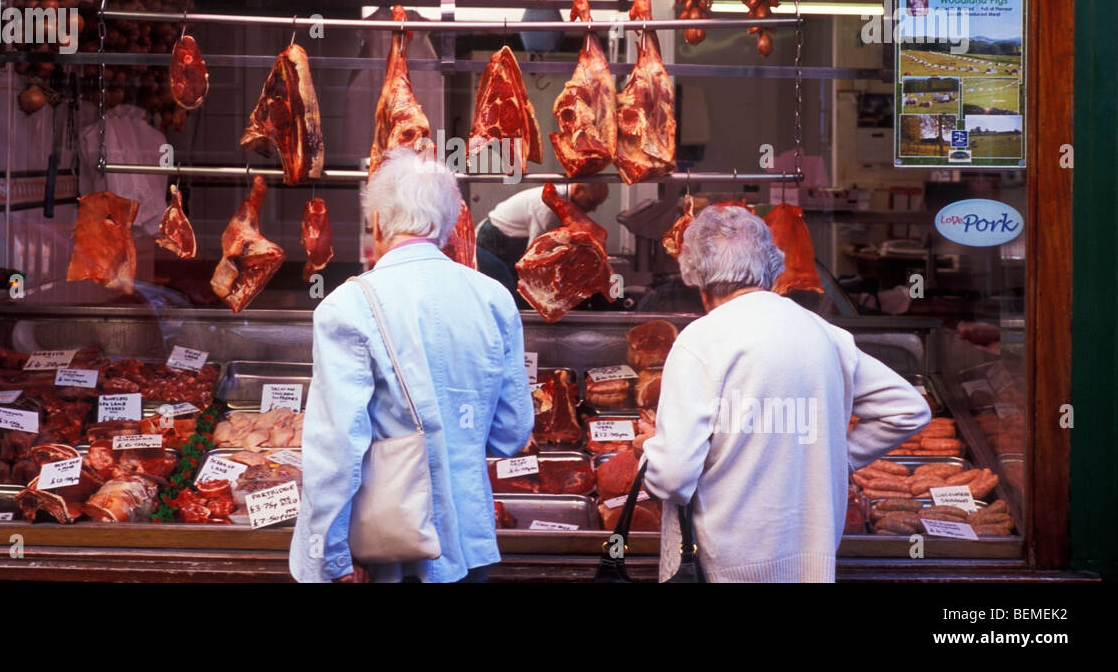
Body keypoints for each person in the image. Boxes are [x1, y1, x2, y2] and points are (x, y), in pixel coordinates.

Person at [641, 205, 931, 582]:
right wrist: (832, 458)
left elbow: (672, 479)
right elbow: (908, 409)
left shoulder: (701, 341)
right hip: (814, 563)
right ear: (771, 265)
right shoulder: (824, 332)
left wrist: (648, 453)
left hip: (725, 567)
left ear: (697, 276)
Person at [289, 146, 535, 583]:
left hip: (388, 553)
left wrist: (329, 558)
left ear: (378, 221)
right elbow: (511, 433)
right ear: (447, 222)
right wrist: (456, 440)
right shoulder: (495, 297)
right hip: (468, 547)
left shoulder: (346, 306)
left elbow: (336, 451)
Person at [475, 182, 609, 292]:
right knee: (503, 290)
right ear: (578, 190)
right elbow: (534, 254)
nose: (593, 209)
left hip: (512, 240)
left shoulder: (564, 201)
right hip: (495, 238)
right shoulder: (550, 204)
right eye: (591, 202)